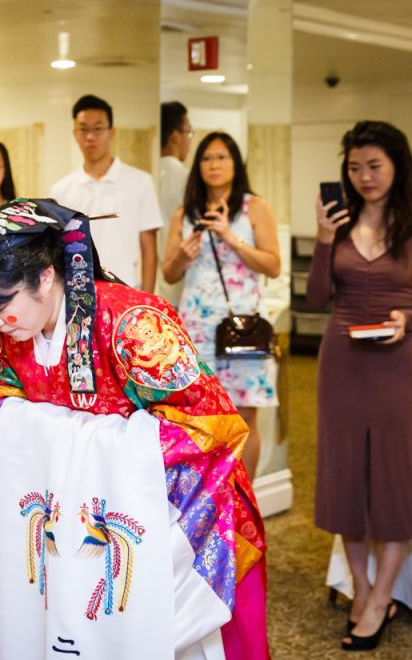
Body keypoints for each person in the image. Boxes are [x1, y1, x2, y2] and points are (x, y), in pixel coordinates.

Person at [0, 198, 268, 659]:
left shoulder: (133, 324)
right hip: (66, 518)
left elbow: (212, 428)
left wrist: (75, 438)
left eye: (2, 307)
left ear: (45, 276)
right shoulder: (1, 331)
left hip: (172, 516)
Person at [307, 121, 412, 652]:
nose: (364, 177)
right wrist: (323, 240)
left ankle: (383, 593)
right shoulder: (338, 226)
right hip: (341, 364)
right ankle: (365, 591)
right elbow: (318, 297)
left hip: (396, 369)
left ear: (396, 167)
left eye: (374, 166)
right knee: (346, 481)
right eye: (354, 167)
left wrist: (406, 321)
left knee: (393, 481)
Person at [162, 132, 280, 480]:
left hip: (241, 327)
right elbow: (169, 274)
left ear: (235, 164)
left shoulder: (254, 207)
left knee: (244, 416)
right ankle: (209, 501)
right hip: (196, 327)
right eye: (207, 158)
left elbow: (273, 265)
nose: (214, 165)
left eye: (222, 157)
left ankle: (244, 504)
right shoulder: (184, 214)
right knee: (198, 416)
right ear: (198, 167)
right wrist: (182, 255)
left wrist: (230, 237)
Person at [50, 94, 163, 292]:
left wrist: (147, 299)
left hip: (126, 288)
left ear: (111, 132)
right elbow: (56, 249)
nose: (90, 137)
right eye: (83, 129)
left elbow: (149, 247)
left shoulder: (140, 181)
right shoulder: (61, 189)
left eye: (98, 128)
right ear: (75, 134)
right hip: (78, 291)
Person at [158, 101, 192, 302]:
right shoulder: (187, 179)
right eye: (189, 133)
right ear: (175, 136)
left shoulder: (148, 174)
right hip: (177, 281)